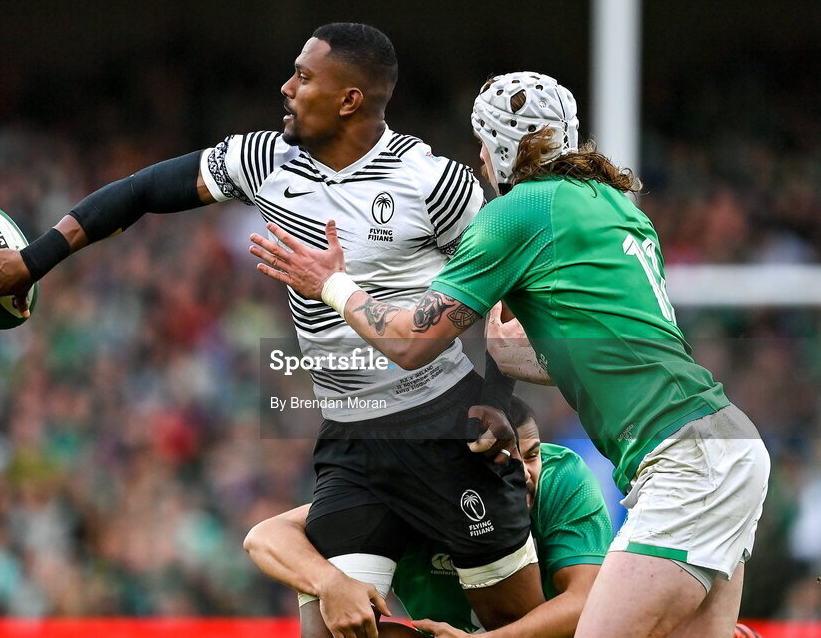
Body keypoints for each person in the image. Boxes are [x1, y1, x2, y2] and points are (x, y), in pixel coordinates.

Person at [0, 25, 543, 635]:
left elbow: (512, 291)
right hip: (352, 441)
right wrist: (32, 261)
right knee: (330, 626)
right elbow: (140, 192)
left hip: (444, 429)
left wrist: (498, 403)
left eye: (304, 77)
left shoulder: (432, 183)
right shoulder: (265, 160)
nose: (286, 88)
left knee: (513, 625)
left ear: (350, 100)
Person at [249, 71, 771, 637]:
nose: (478, 162)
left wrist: (332, 283)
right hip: (727, 445)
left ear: (499, 147)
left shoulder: (520, 210)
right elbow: (625, 355)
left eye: (481, 145)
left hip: (684, 462)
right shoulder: (616, 207)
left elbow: (406, 342)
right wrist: (521, 359)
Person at [245, 395, 612, 637]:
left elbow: (587, 603)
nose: (522, 471)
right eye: (500, 459)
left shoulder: (562, 477)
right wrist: (329, 583)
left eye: (531, 454)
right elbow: (265, 535)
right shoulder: (407, 485)